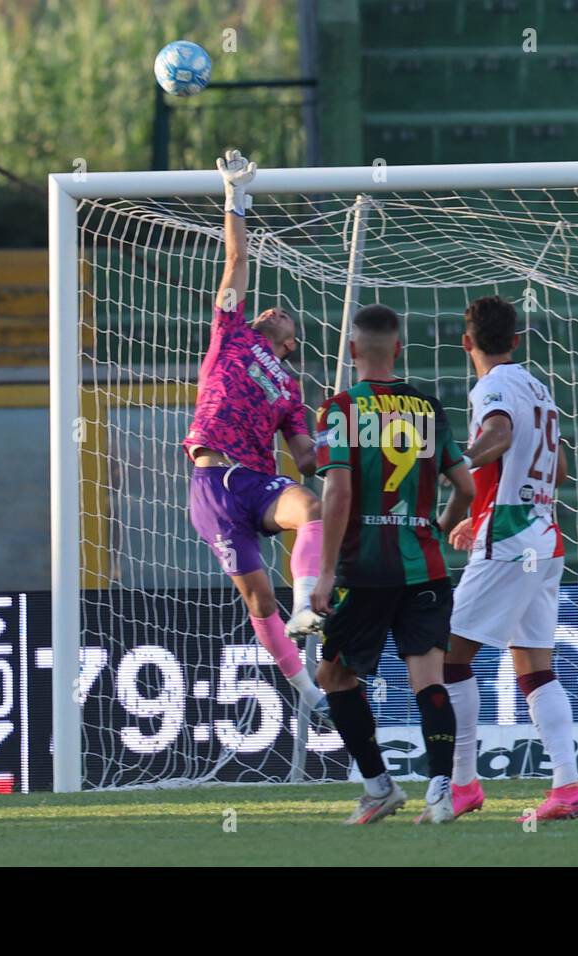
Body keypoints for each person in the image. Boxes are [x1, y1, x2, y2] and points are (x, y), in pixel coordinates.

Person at [309, 304, 476, 824]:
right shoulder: (428, 407)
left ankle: (380, 787)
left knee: (333, 676)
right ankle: (442, 793)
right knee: (428, 679)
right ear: (399, 349)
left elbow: (336, 494)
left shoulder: (339, 408)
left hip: (365, 571)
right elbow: (467, 488)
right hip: (423, 566)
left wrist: (326, 569)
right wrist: (441, 526)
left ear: (353, 350)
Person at [184, 149, 326, 713]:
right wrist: (235, 198)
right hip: (210, 485)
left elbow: (307, 457)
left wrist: (334, 437)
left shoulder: (290, 390)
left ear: (289, 345)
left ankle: (309, 603)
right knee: (257, 597)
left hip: (254, 481)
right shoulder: (232, 332)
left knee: (310, 506)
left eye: (286, 315)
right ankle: (303, 687)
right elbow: (236, 260)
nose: (274, 310)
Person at [443, 295, 578, 822]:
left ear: (467, 343)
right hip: (544, 538)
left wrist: (454, 463)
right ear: (517, 340)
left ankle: (462, 786)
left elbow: (499, 437)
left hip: (509, 540)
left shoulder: (493, 386)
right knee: (534, 669)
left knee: (447, 659)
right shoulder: (538, 388)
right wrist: (477, 511)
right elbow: (559, 468)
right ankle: (566, 790)